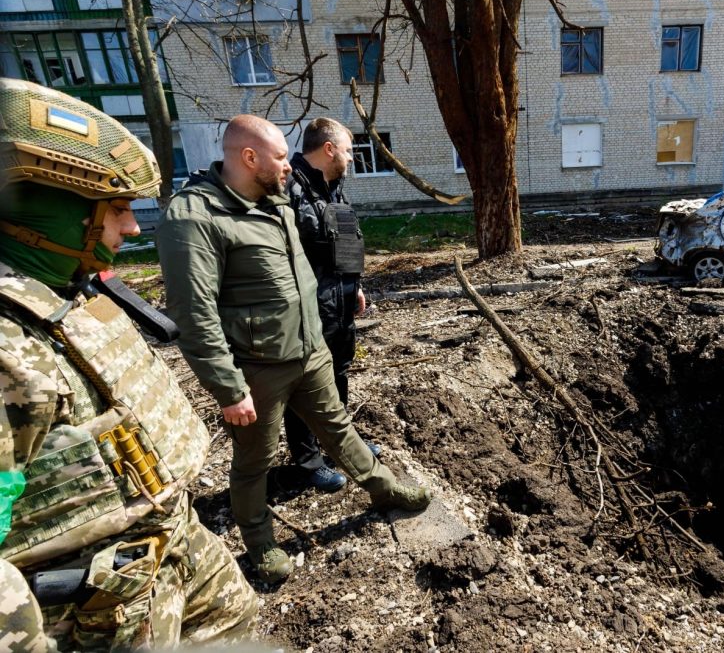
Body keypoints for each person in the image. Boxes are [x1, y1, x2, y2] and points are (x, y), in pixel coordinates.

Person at [0, 77, 257, 649]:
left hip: (170, 553)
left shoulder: (64, 292)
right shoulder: (7, 353)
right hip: (94, 613)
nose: (133, 227)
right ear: (44, 210)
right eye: (114, 209)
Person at [156, 114, 431, 586]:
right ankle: (260, 544)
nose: (289, 166)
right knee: (253, 462)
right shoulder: (196, 216)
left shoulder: (274, 199)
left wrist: (342, 298)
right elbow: (193, 312)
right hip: (259, 368)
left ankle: (384, 490)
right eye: (281, 157)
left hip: (310, 348)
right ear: (248, 157)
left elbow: (304, 269)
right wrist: (227, 388)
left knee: (339, 429)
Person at [281, 118, 380, 494]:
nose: (352, 159)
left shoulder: (333, 189)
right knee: (305, 386)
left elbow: (344, 240)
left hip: (339, 302)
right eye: (349, 151)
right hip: (305, 309)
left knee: (338, 374)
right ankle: (308, 462)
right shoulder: (288, 189)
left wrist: (355, 286)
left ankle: (342, 447)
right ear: (328, 149)